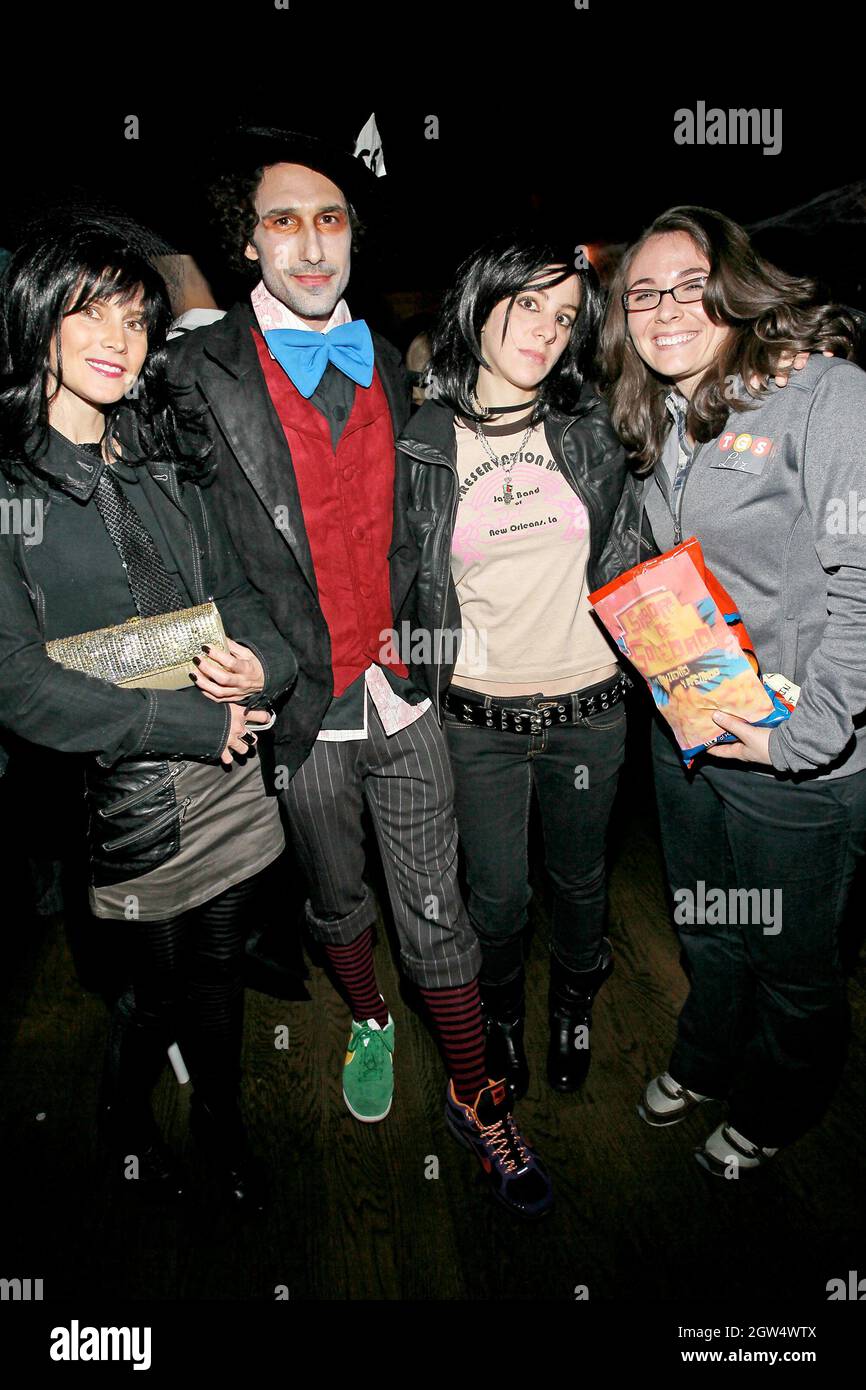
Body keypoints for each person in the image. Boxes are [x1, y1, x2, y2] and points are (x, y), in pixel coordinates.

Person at [168, 127, 551, 1218]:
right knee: (337, 899)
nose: (308, 241)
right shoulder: (194, 374)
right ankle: (371, 1021)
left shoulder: (393, 360)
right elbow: (180, 542)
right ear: (248, 241)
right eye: (282, 219)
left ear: (353, 236)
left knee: (438, 901)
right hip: (296, 704)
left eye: (329, 217)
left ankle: (477, 1093)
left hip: (404, 684)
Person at [0, 219, 298, 1208]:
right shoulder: (9, 488)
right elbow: (18, 685)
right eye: (89, 310)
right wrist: (187, 726)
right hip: (121, 791)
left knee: (216, 971)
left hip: (233, 771)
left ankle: (219, 1128)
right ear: (38, 318)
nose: (118, 337)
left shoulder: (161, 454)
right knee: (152, 990)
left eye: (136, 318)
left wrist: (261, 665)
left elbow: (246, 598)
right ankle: (126, 1129)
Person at [600, 204, 866, 1175]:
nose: (664, 308)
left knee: (793, 966)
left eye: (687, 284)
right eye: (641, 292)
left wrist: (806, 738)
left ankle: (779, 1104)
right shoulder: (654, 414)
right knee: (709, 922)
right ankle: (705, 1057)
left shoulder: (822, 394)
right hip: (692, 737)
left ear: (733, 287)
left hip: (794, 755)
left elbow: (861, 579)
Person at [398, 233, 649, 1101]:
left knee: (580, 883)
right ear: (480, 301)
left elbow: (640, 550)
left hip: (590, 712)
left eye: (566, 314)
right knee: (497, 900)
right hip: (477, 723)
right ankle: (500, 1011)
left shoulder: (591, 432)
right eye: (529, 303)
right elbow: (401, 583)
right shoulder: (420, 443)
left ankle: (574, 1001)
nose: (547, 328)